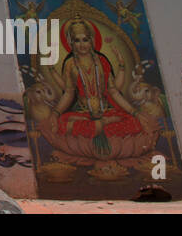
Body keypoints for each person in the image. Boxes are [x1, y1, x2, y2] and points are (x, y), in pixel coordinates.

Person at [53, 18, 144, 156]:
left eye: (85, 39)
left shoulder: (102, 61)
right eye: (77, 40)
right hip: (83, 113)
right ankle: (99, 130)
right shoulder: (70, 64)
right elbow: (69, 93)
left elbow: (113, 91)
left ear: (92, 41)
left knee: (134, 122)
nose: (82, 44)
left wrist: (134, 112)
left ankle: (98, 130)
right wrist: (55, 113)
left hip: (106, 111)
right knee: (60, 124)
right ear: (71, 43)